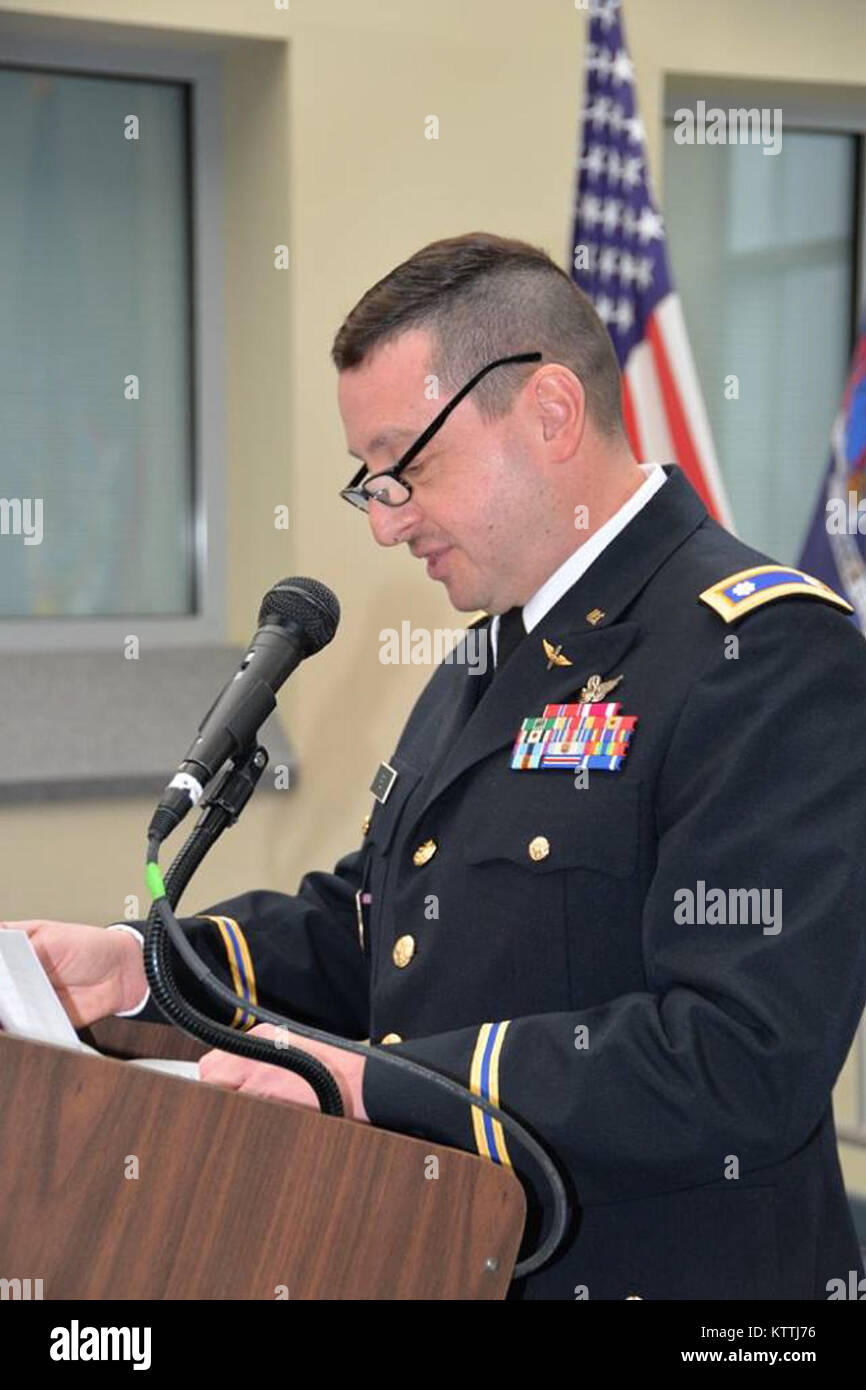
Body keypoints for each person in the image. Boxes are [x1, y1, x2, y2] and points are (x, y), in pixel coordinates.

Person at [6, 232, 866, 1301]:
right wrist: (143, 966)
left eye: (405, 464)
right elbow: (375, 928)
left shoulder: (760, 648)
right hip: (450, 1254)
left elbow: (738, 1055)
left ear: (548, 413)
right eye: (369, 481)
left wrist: (377, 1085)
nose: (386, 520)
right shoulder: (486, 655)